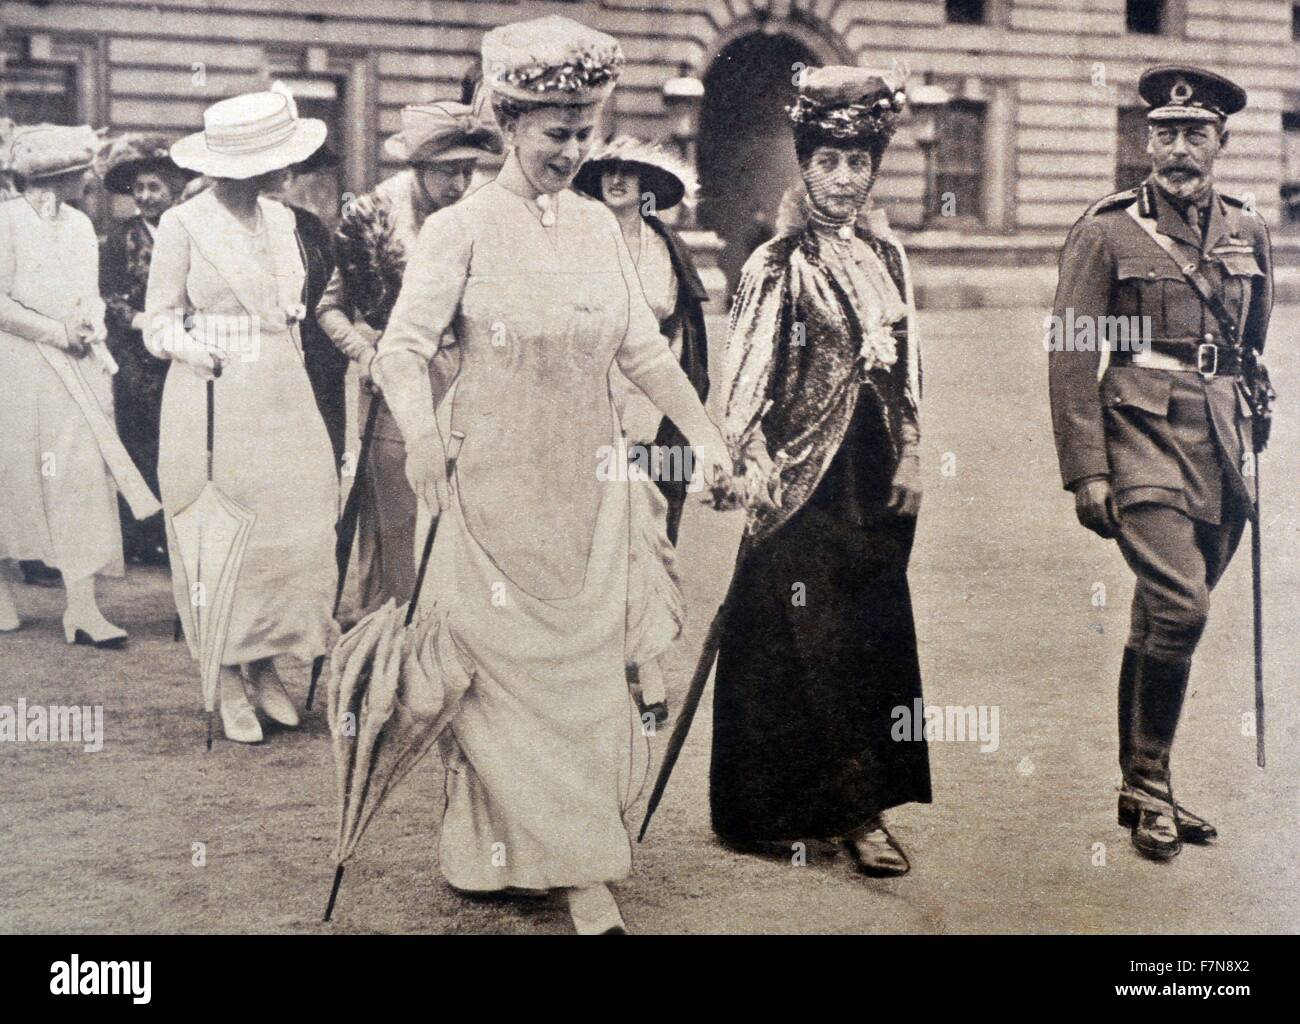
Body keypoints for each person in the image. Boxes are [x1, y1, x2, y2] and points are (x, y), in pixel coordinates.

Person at [372, 15, 728, 934]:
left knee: (580, 680)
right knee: (497, 682)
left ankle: (567, 862)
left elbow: (645, 355)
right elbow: (401, 353)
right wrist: (417, 435)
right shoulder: (461, 229)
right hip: (486, 484)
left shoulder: (602, 230)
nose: (571, 150)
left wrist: (707, 434)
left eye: (584, 130)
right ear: (509, 123)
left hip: (589, 485)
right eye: (554, 132)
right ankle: (515, 858)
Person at [1049, 65, 1273, 861]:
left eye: (1196, 134)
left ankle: (1146, 784)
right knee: (1181, 605)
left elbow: (1250, 344)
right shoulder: (1106, 230)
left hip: (1219, 441)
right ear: (1145, 141)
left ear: (1221, 141)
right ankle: (1149, 782)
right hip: (1137, 430)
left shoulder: (1249, 230)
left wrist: (1255, 413)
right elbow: (1072, 354)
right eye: (1165, 134)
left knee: (1160, 610)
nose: (1180, 149)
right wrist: (1087, 470)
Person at [713, 66, 930, 876]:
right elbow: (743, 381)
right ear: (803, 165)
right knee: (804, 640)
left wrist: (913, 449)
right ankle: (835, 812)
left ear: (874, 168)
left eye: (858, 162)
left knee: (871, 634)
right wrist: (749, 461)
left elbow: (908, 364)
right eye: (827, 162)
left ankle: (856, 796)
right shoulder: (778, 263)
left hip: (874, 475)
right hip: (802, 478)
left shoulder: (888, 254)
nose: (843, 179)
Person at [146, 87, 338, 744]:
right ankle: (224, 672)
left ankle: (263, 663)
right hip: (214, 391)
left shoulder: (284, 220)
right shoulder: (183, 223)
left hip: (284, 386)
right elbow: (157, 320)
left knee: (290, 526)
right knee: (224, 531)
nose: (291, 170)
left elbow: (297, 307)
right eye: (279, 159)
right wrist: (191, 348)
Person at [317, 101, 500, 612]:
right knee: (395, 514)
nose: (459, 184)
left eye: (467, 170)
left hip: (464, 378)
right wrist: (368, 354)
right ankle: (387, 631)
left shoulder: (473, 218)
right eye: (448, 172)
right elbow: (330, 309)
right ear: (417, 167)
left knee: (461, 510)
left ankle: (449, 634)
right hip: (393, 383)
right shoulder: (371, 219)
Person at [0, 124, 159, 646]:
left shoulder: (76, 225)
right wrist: (55, 331)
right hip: (19, 368)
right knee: (12, 475)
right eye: (78, 175)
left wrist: (89, 321)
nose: (88, 182)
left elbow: (90, 293)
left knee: (80, 479)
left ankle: (83, 607)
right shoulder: (5, 222)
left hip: (80, 367)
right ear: (53, 178)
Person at [574, 136, 710, 724]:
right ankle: (598, 667)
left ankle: (648, 665)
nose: (618, 181)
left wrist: (682, 412)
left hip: (653, 410)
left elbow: (682, 336)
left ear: (648, 187)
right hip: (587, 405)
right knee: (593, 537)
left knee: (653, 533)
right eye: (607, 172)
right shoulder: (575, 241)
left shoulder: (666, 247)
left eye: (630, 173)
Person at [99, 133, 195, 566]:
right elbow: (107, 295)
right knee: (138, 438)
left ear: (172, 190)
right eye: (139, 188)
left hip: (181, 347)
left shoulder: (188, 229)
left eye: (154, 187)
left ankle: (174, 530)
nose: (145, 196)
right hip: (136, 353)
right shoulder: (120, 236)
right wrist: (139, 321)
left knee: (176, 438)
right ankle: (140, 535)